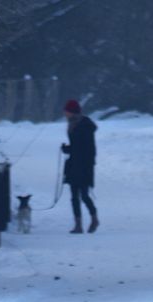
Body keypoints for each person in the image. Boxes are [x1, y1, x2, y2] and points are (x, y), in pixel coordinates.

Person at [61, 99, 99, 234]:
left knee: (84, 195)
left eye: (66, 111)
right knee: (74, 196)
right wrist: (68, 149)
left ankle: (94, 218)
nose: (65, 113)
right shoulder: (72, 124)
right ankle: (78, 225)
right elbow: (76, 147)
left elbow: (87, 149)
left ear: (72, 112)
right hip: (74, 165)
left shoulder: (84, 126)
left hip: (84, 166)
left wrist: (70, 150)